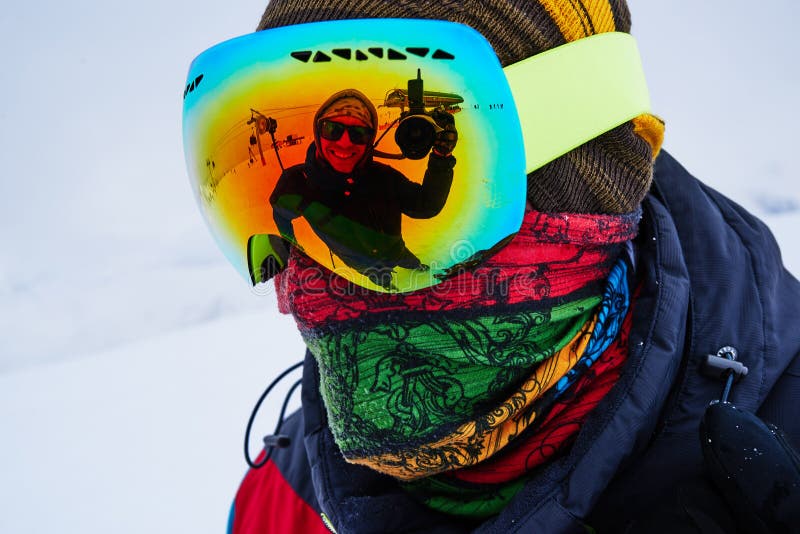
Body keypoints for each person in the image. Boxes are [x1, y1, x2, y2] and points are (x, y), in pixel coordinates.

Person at [227, 1, 800, 532]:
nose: (306, 282)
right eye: (328, 130)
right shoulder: (281, 500)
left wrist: (444, 159)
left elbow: (424, 203)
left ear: (587, 188)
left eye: (357, 129)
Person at [269, 88, 457, 289]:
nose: (344, 143)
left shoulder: (384, 178)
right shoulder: (296, 183)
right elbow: (280, 214)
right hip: (362, 265)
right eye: (333, 129)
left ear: (369, 140)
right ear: (318, 131)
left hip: (396, 251)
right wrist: (294, 251)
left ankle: (418, 268)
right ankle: (387, 288)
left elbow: (426, 205)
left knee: (410, 262)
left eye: (359, 133)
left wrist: (441, 156)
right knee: (381, 281)